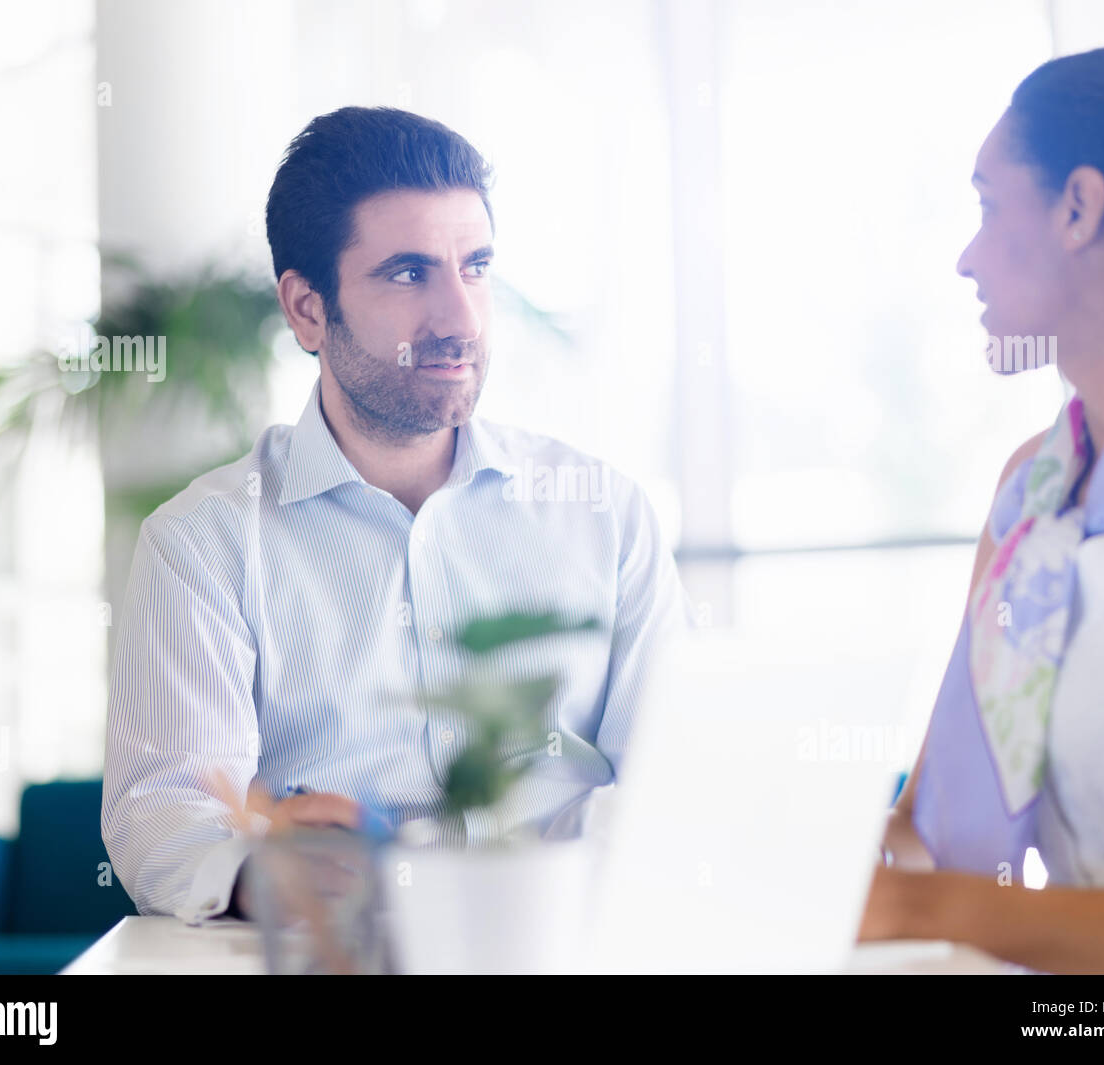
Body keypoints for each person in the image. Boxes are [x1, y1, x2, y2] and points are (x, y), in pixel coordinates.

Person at [102, 107, 690, 922]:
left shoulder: (605, 514)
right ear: (307, 309)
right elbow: (162, 816)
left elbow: (674, 782)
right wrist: (260, 873)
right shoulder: (204, 543)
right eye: (409, 273)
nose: (460, 318)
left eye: (475, 266)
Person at [861, 44, 1104, 974]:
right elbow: (928, 824)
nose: (966, 257)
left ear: (1078, 207)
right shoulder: (1032, 494)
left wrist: (930, 908)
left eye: (985, 205)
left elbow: (931, 894)